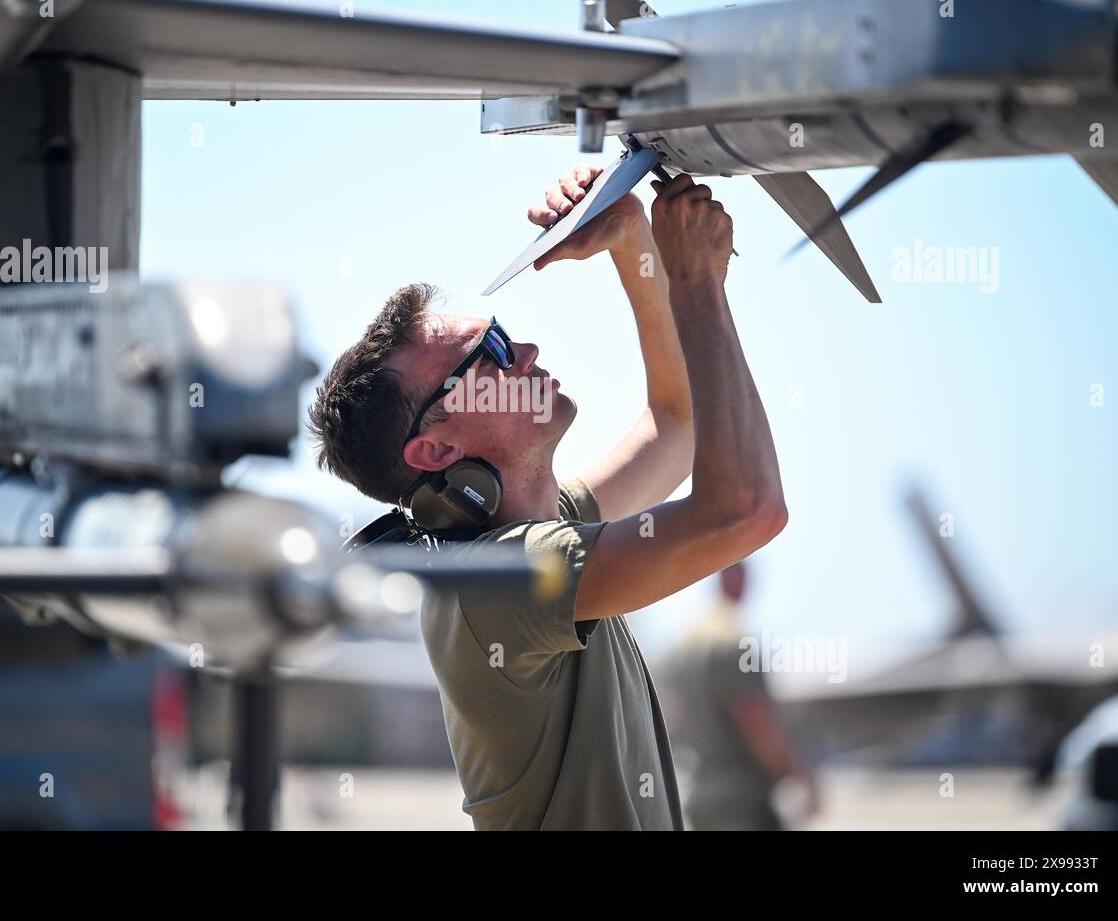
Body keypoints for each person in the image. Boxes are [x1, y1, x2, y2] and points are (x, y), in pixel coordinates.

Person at [308, 165, 787, 829]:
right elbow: (748, 510)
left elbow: (680, 428)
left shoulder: (534, 531)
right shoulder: (494, 582)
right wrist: (696, 284)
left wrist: (632, 241)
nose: (526, 351)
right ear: (437, 450)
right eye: (491, 356)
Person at [667, 561, 820, 830]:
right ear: (736, 581)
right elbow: (754, 718)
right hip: (742, 803)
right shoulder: (734, 642)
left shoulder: (684, 646)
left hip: (701, 798)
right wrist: (800, 775)